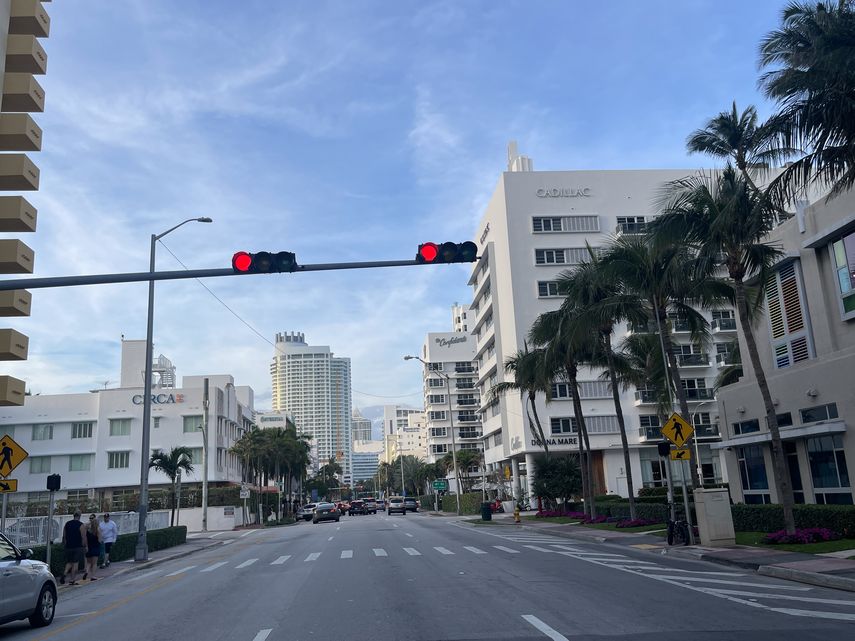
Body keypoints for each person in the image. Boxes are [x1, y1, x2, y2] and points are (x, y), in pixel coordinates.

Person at [60, 511, 86, 585]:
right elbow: (83, 537)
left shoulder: (67, 524)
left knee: (69, 562)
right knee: (75, 563)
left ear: (73, 516)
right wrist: (85, 546)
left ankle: (65, 573)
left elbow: (64, 536)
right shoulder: (81, 525)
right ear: (79, 516)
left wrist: (65, 544)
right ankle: (72, 580)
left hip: (69, 546)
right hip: (78, 547)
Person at [83, 514, 101, 581]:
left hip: (89, 547)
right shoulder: (97, 530)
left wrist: (87, 546)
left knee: (88, 562)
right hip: (95, 547)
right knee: (94, 563)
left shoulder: (88, 531)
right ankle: (93, 576)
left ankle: (87, 572)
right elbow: (99, 540)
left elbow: (86, 539)